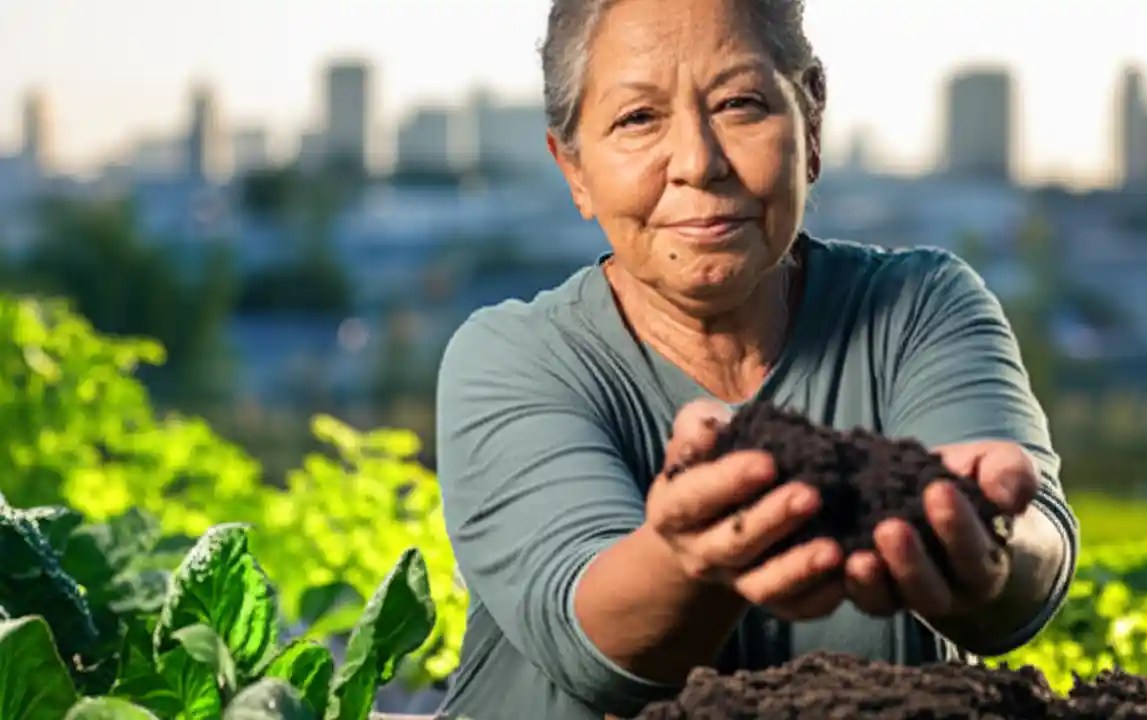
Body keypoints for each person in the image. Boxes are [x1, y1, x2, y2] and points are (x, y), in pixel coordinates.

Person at [433, 0, 1079, 718]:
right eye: (638, 119)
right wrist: (690, 558)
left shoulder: (921, 307)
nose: (699, 164)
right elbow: (599, 647)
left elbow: (1031, 552)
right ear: (575, 169)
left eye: (740, 104)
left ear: (811, 122)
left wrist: (991, 539)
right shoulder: (514, 358)